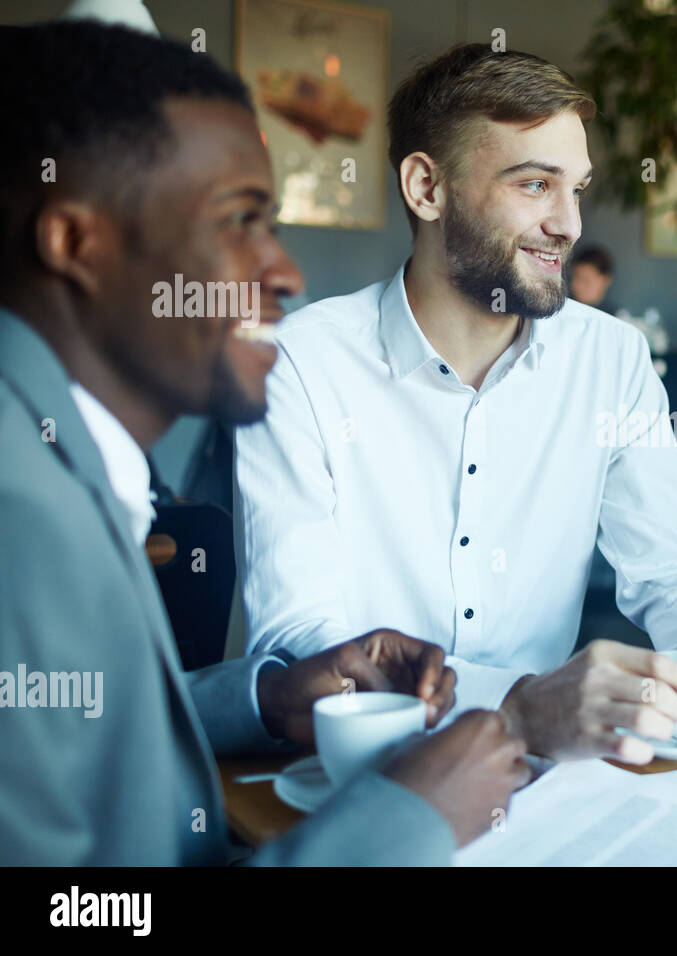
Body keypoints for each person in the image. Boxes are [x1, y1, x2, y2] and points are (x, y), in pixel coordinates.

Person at [0, 21, 528, 865]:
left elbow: (62, 727)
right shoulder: (20, 519)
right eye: (241, 221)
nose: (283, 273)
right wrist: (408, 817)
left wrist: (270, 697)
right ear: (74, 244)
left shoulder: (50, 464)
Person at [234, 43, 677, 765]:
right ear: (426, 187)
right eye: (535, 185)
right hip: (351, 776)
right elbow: (301, 642)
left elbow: (668, 571)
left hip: (547, 776)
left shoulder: (612, 360)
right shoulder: (302, 360)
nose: (571, 224)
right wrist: (514, 706)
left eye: (577, 189)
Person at [568, 245, 619, 313]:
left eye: (586, 280)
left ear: (605, 281)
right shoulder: (563, 309)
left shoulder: (617, 318)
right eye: (575, 277)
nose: (577, 286)